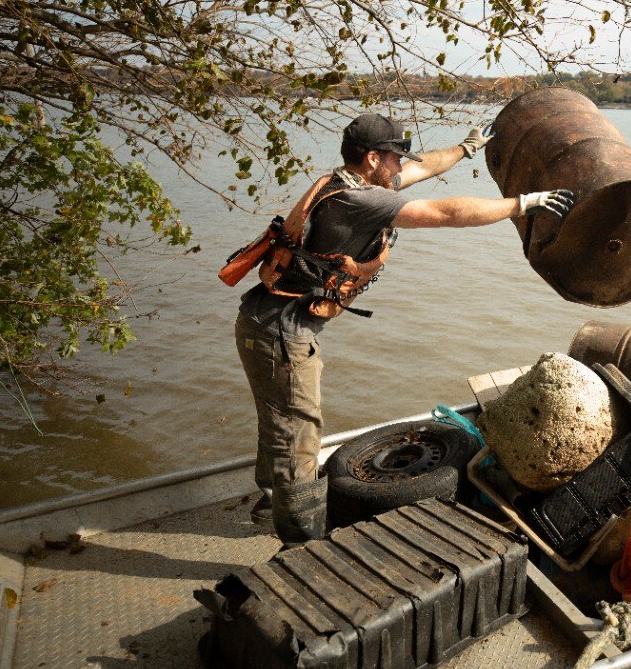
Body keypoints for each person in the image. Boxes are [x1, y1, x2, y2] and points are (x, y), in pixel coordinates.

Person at [233, 113, 574, 547]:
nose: (400, 167)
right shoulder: (359, 202)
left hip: (264, 325)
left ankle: (270, 498)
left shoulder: (349, 183)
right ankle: (302, 543)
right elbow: (444, 212)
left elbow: (421, 169)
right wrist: (522, 204)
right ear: (373, 159)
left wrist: (464, 148)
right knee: (299, 433)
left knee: (281, 419)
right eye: (394, 158)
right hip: (281, 335)